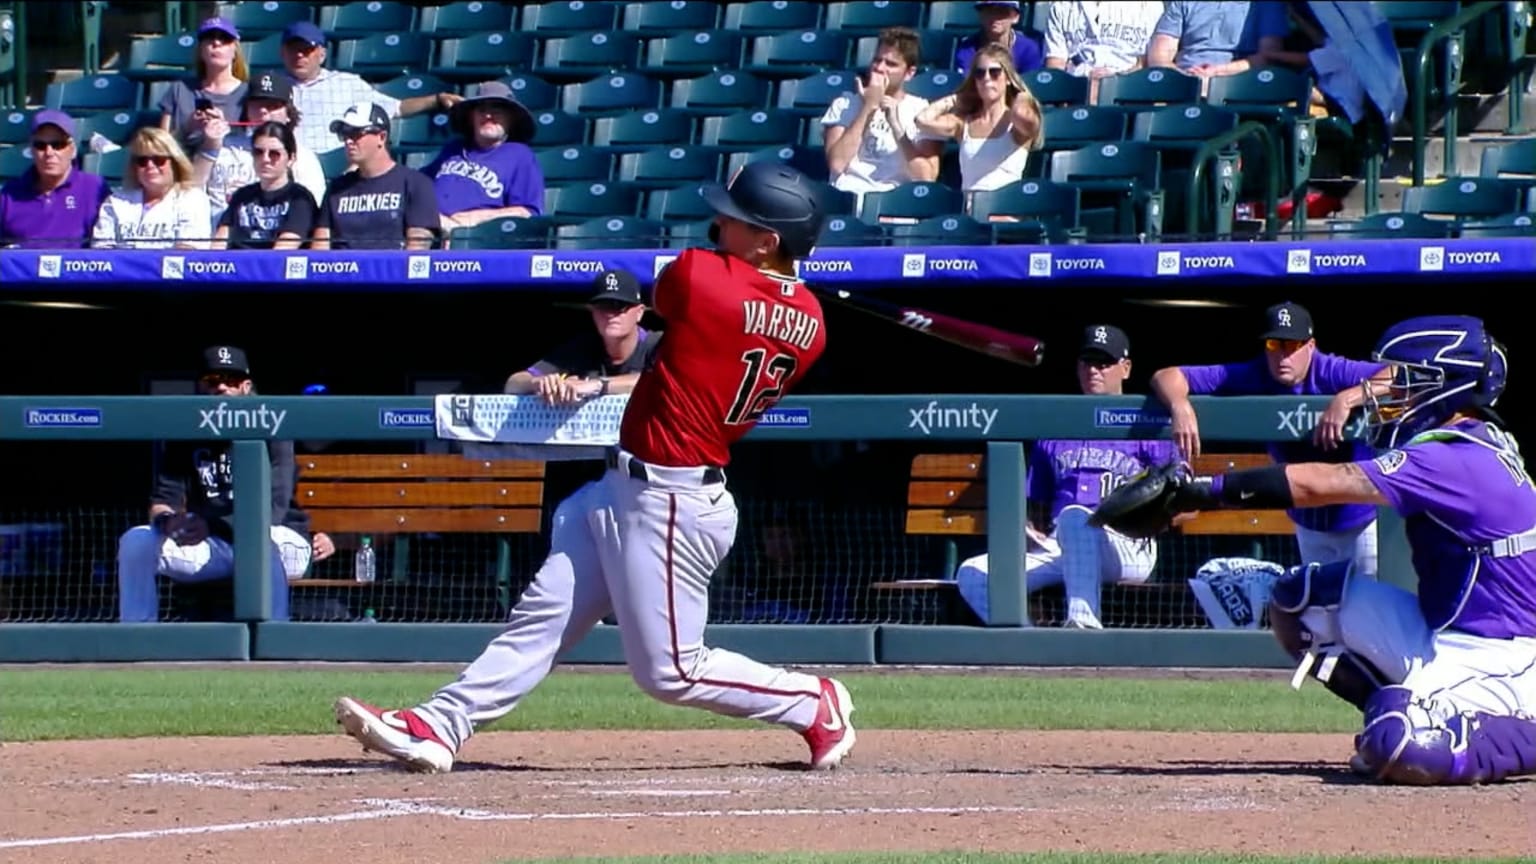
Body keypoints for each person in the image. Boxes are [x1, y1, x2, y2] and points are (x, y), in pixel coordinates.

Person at [333, 161, 855, 774]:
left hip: (670, 502)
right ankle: (440, 725)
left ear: (768, 239)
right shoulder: (813, 325)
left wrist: (756, 275)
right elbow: (749, 307)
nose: (717, 224)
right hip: (622, 489)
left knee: (672, 671)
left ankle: (812, 702)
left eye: (735, 220)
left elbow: (663, 293)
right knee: (542, 617)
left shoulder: (702, 276)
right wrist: (780, 279)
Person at [1100, 315, 1536, 786]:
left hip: (1500, 655)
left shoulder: (1453, 455)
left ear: (1447, 388)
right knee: (1303, 601)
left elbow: (1322, 482)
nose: (1392, 393)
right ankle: (1401, 709)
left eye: (1410, 381)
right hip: (1442, 633)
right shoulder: (1474, 436)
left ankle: (1510, 732)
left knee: (1404, 745)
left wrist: (1203, 492)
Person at [954, 325, 1175, 628]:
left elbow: (1181, 495)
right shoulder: (1057, 425)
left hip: (1126, 544)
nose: (1093, 370)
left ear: (1125, 368)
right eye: (1087, 362)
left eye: (1103, 363)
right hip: (1063, 545)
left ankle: (1083, 629)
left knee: (1075, 519)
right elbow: (1036, 504)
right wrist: (1027, 530)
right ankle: (1030, 647)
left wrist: (1151, 518)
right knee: (972, 572)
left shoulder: (1146, 423)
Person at [1149, 301, 1390, 577]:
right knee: (1322, 612)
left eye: (1292, 346)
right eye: (1275, 345)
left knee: (1366, 607)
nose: (1282, 356)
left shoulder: (1330, 370)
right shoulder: (1256, 373)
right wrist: (1179, 404)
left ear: (1310, 346)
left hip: (1360, 520)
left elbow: (1398, 375)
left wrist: (1348, 398)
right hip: (1308, 521)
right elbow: (1167, 375)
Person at [117, 346, 335, 622]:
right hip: (214, 544)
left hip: (282, 538)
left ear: (246, 386)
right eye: (212, 381)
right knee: (136, 541)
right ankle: (138, 638)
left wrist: (212, 525)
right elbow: (164, 499)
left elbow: (273, 509)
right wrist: (168, 522)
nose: (221, 387)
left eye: (230, 380)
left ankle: (275, 641)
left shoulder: (273, 427)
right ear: (200, 387)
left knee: (265, 545)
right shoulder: (185, 432)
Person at [820, 27, 942, 211]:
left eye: (890, 64)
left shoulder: (922, 110)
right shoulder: (844, 104)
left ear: (909, 73)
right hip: (847, 200)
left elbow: (926, 177)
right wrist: (868, 107)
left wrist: (895, 124)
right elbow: (837, 164)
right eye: (877, 60)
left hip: (896, 205)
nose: (879, 68)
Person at [503, 269, 660, 404]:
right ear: (592, 311)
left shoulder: (659, 343)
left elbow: (663, 383)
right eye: (603, 306)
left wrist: (597, 385)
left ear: (639, 313)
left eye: (619, 307)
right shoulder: (582, 346)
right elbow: (513, 384)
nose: (610, 314)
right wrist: (538, 383)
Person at [913, 44, 1043, 195]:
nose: (987, 78)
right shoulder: (964, 123)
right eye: (979, 73)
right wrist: (955, 99)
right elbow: (922, 120)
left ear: (1007, 78)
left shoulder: (1015, 125)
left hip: (1004, 210)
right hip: (970, 209)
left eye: (994, 72)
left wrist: (1022, 96)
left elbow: (1021, 115)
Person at [310, 102, 438, 250]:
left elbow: (417, 252)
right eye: (344, 134)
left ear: (381, 137)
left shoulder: (415, 184)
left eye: (356, 133)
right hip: (341, 271)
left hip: (391, 270)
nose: (348, 141)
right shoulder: (336, 189)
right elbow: (320, 250)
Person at [426, 80, 545, 231]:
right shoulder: (453, 149)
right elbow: (416, 185)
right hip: (430, 229)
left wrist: (473, 219)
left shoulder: (520, 155)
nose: (488, 115)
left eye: (497, 111)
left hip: (479, 239)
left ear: (511, 119)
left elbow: (528, 213)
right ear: (471, 118)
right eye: (481, 110)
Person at [0, 110, 110, 248]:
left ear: (73, 149)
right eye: (40, 145)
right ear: (32, 150)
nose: (49, 152)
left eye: (57, 145)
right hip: (23, 268)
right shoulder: (10, 193)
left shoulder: (94, 188)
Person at [91, 127, 212, 249]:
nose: (150, 166)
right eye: (142, 161)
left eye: (159, 160)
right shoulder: (115, 201)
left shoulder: (193, 199)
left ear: (175, 163)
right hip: (122, 268)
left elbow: (189, 250)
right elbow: (102, 250)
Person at [212, 121, 319, 250]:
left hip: (276, 266)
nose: (265, 159)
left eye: (274, 154)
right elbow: (219, 242)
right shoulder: (242, 196)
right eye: (258, 152)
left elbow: (284, 249)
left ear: (291, 159)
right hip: (237, 264)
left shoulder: (300, 198)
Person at [157, 16, 249, 154]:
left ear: (235, 50)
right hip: (185, 168)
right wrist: (188, 128)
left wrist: (223, 130)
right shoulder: (179, 89)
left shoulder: (248, 93)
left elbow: (254, 144)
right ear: (200, 50)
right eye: (209, 38)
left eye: (224, 39)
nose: (216, 43)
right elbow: (160, 148)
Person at [955, 1, 1044, 76]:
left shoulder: (1027, 48)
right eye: (989, 11)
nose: (995, 17)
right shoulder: (968, 46)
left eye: (1002, 11)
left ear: (1015, 17)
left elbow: (1030, 89)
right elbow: (966, 87)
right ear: (980, 15)